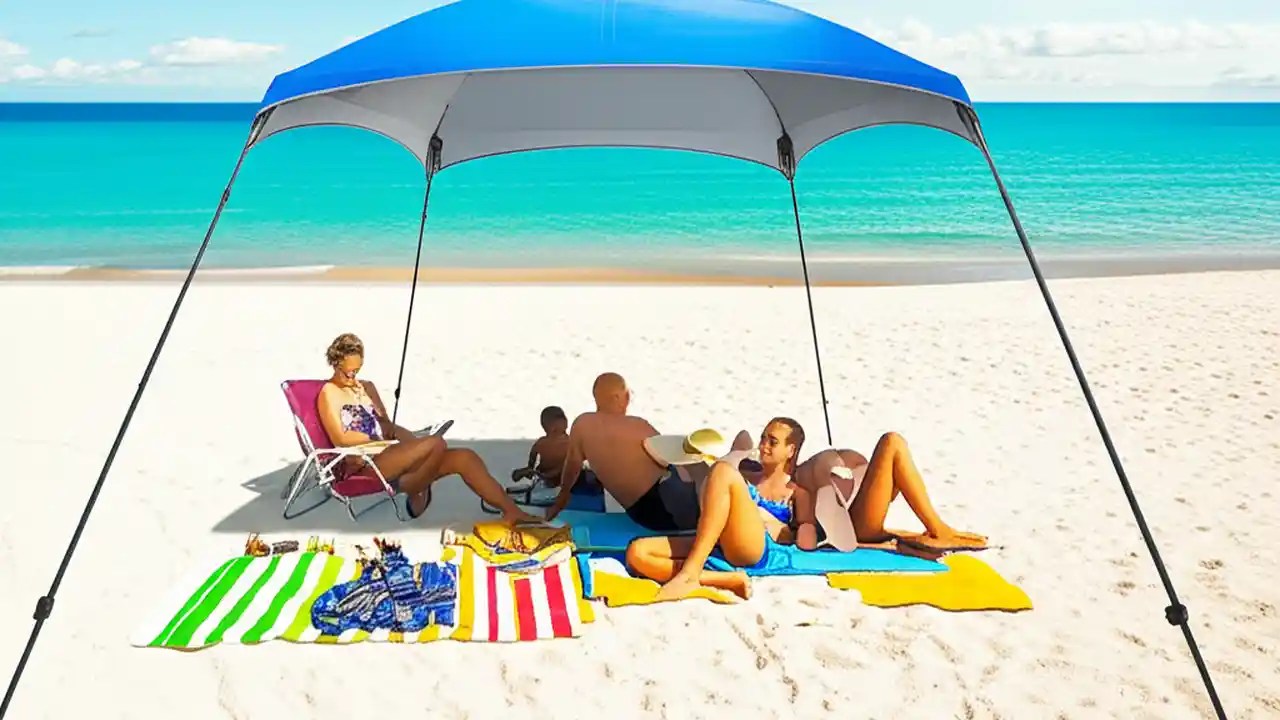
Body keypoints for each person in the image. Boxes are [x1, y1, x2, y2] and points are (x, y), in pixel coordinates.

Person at [315, 333, 537, 525]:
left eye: (357, 370)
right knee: (435, 443)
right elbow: (340, 440)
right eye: (348, 373)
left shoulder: (366, 387)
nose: (353, 377)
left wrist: (386, 425)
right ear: (336, 363)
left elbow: (386, 425)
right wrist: (374, 440)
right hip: (364, 463)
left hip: (391, 453)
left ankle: (512, 511)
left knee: (465, 457)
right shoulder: (329, 392)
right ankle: (417, 487)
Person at [624, 419, 805, 601]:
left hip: (754, 547)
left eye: (772, 442)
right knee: (637, 552)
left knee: (722, 470)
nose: (764, 445)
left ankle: (689, 574)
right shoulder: (747, 472)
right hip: (715, 538)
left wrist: (774, 524)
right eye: (763, 438)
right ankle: (723, 579)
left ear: (791, 450)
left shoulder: (795, 490)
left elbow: (802, 535)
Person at [543, 372, 701, 533]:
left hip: (643, 516)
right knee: (699, 464)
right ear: (619, 397)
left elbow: (572, 466)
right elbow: (670, 458)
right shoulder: (638, 425)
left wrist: (560, 500)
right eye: (627, 395)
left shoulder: (582, 425)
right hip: (671, 508)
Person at [790, 432, 987, 552]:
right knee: (892, 442)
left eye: (771, 441)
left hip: (858, 503)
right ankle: (938, 529)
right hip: (853, 523)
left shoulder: (791, 472)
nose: (764, 447)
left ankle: (939, 528)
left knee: (892, 448)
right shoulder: (785, 485)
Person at [510, 406, 571, 487]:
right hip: (546, 481)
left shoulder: (571, 442)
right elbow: (530, 469)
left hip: (562, 480)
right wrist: (526, 472)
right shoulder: (541, 444)